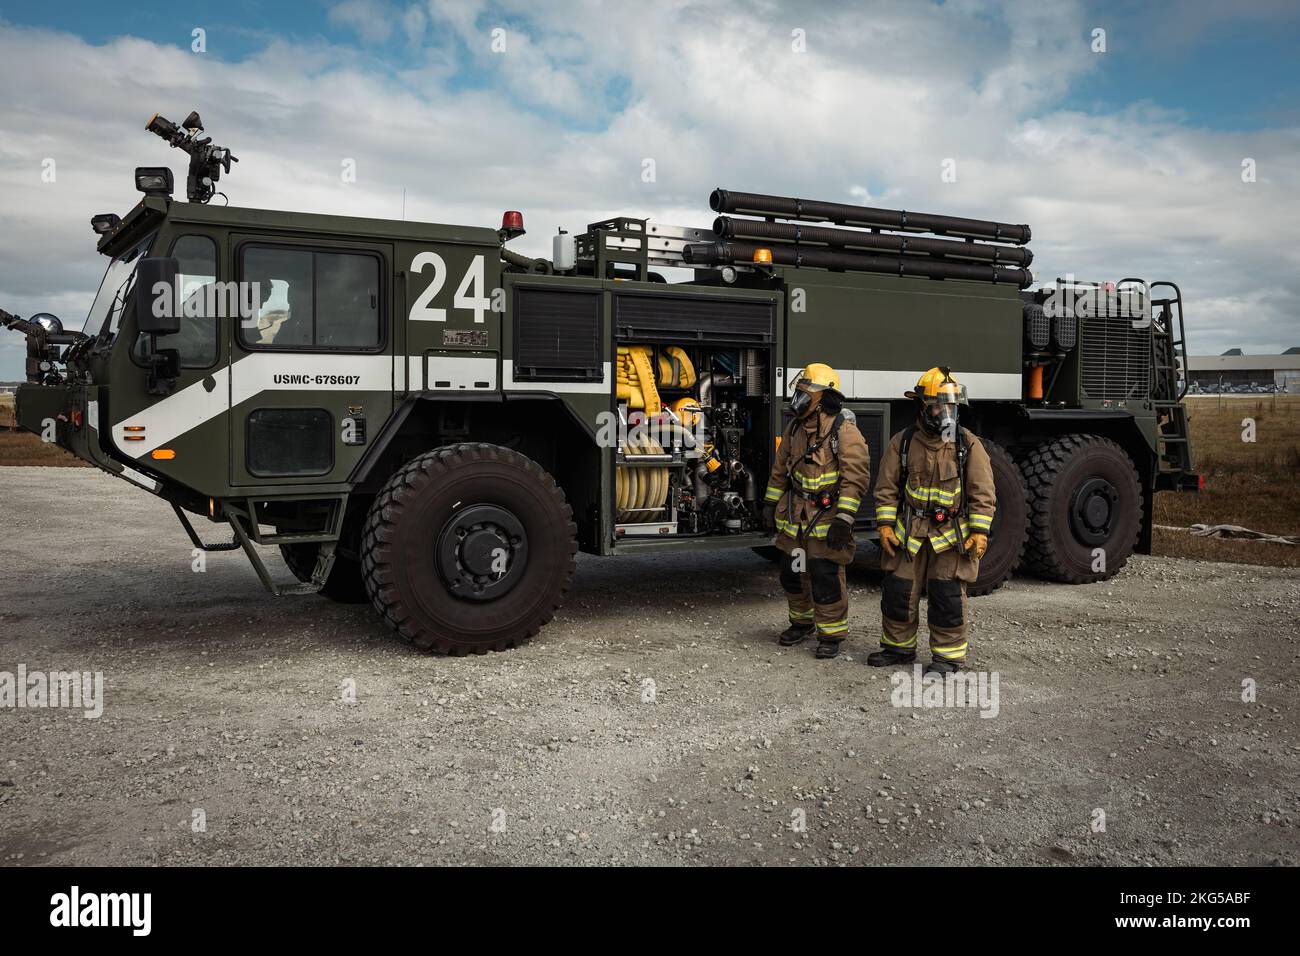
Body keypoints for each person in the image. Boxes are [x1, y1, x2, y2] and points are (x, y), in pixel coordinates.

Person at [868, 367, 995, 675]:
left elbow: (982, 492)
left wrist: (979, 531)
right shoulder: (903, 442)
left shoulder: (967, 444)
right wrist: (885, 525)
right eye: (938, 405)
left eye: (950, 406)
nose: (945, 412)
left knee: (946, 597)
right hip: (909, 533)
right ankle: (898, 649)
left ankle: (948, 658)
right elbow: (886, 489)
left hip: (949, 536)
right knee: (899, 591)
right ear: (923, 406)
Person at [761, 364, 871, 660]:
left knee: (826, 576)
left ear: (823, 398)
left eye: (805, 393)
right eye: (799, 392)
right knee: (793, 572)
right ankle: (801, 623)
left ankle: (831, 634)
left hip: (826, 520)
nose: (798, 399)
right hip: (796, 520)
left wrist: (844, 519)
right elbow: (780, 471)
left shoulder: (844, 432)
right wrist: (770, 504)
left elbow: (856, 478)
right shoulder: (795, 428)